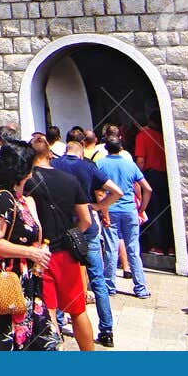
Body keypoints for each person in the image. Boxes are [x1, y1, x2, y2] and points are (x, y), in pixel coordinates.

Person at [0, 140, 58, 351]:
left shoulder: (23, 199)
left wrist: (38, 250)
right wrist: (30, 252)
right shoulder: (4, 199)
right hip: (9, 285)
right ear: (23, 168)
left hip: (28, 283)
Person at [26, 133, 97, 350]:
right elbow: (86, 219)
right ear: (49, 153)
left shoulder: (27, 182)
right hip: (67, 253)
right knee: (78, 311)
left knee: (49, 313)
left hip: (41, 254)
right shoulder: (70, 180)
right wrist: (71, 235)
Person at [51, 130, 122, 346]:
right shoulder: (88, 167)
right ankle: (107, 330)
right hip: (87, 223)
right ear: (81, 152)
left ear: (66, 151)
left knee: (61, 274)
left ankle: (60, 322)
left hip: (63, 224)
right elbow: (116, 191)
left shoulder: (55, 166)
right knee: (97, 278)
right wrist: (99, 207)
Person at [95, 135, 151, 300]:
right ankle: (140, 287)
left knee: (111, 248)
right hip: (129, 209)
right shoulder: (129, 164)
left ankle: (109, 286)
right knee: (133, 249)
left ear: (106, 148)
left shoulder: (100, 164)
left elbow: (97, 189)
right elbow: (147, 188)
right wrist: (142, 207)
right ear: (121, 147)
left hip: (110, 208)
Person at [135, 112, 172, 255]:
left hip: (151, 175)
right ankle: (168, 246)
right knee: (165, 210)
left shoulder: (142, 136)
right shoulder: (162, 136)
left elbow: (140, 161)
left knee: (153, 210)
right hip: (164, 175)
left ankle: (156, 245)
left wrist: (137, 179)